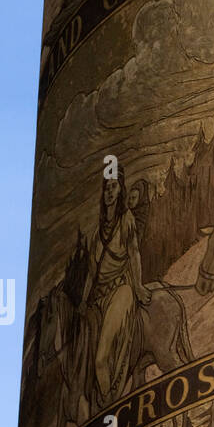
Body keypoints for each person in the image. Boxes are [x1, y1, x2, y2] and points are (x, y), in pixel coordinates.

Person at [82, 169, 152, 406]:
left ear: (121, 189)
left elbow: (134, 255)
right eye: (106, 188)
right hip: (99, 296)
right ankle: (105, 404)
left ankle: (109, 406)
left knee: (101, 360)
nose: (109, 192)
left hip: (121, 291)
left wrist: (139, 287)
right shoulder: (95, 233)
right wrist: (83, 301)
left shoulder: (126, 220)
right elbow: (91, 274)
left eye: (114, 187)